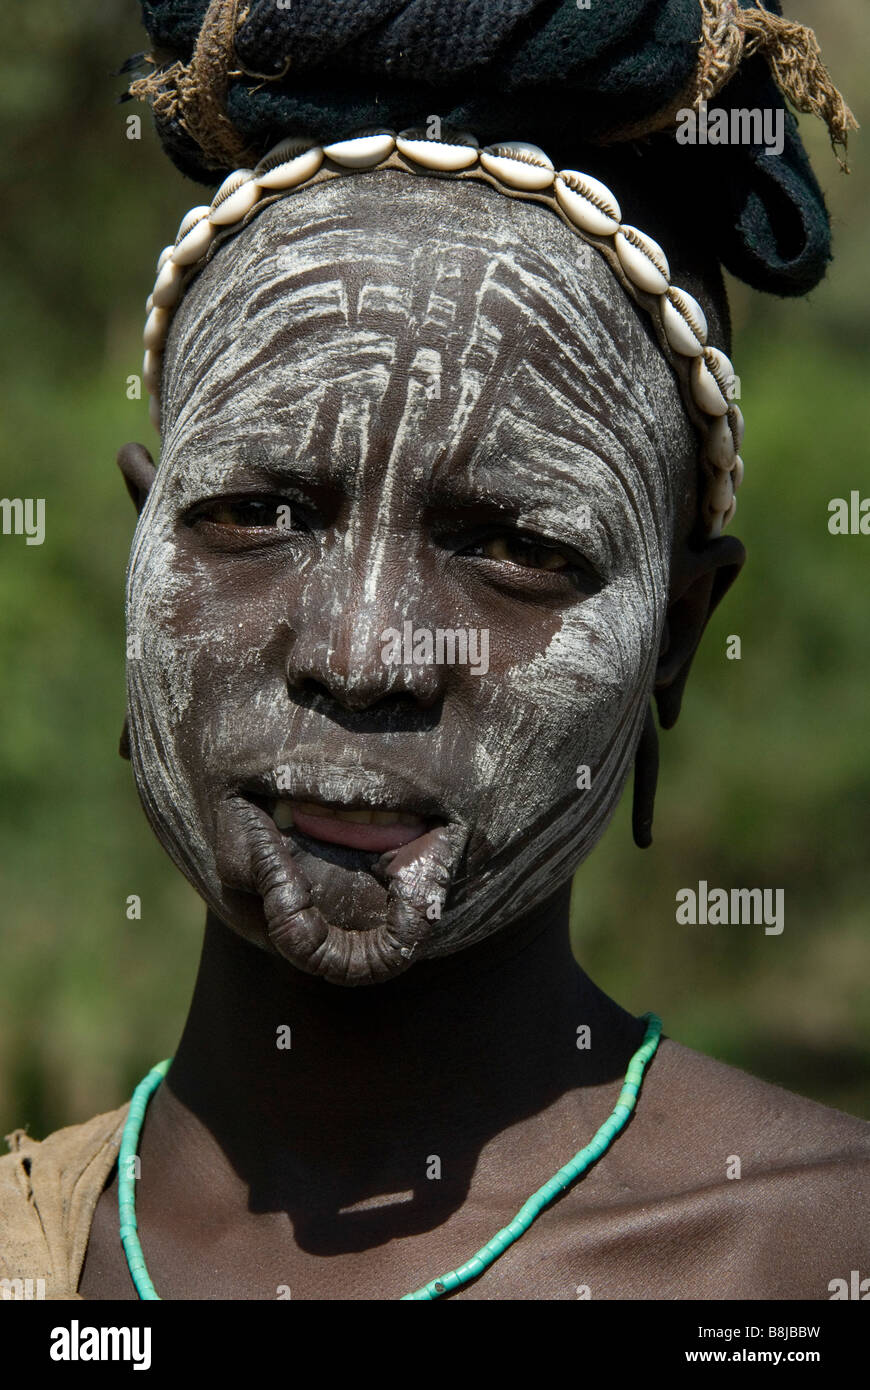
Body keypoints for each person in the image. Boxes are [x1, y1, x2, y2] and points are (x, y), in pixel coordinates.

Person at [2, 0, 868, 1301]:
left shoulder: (810, 1258)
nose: (361, 654)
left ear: (673, 642)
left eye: (509, 547)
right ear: (143, 567)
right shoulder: (37, 1255)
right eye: (260, 513)